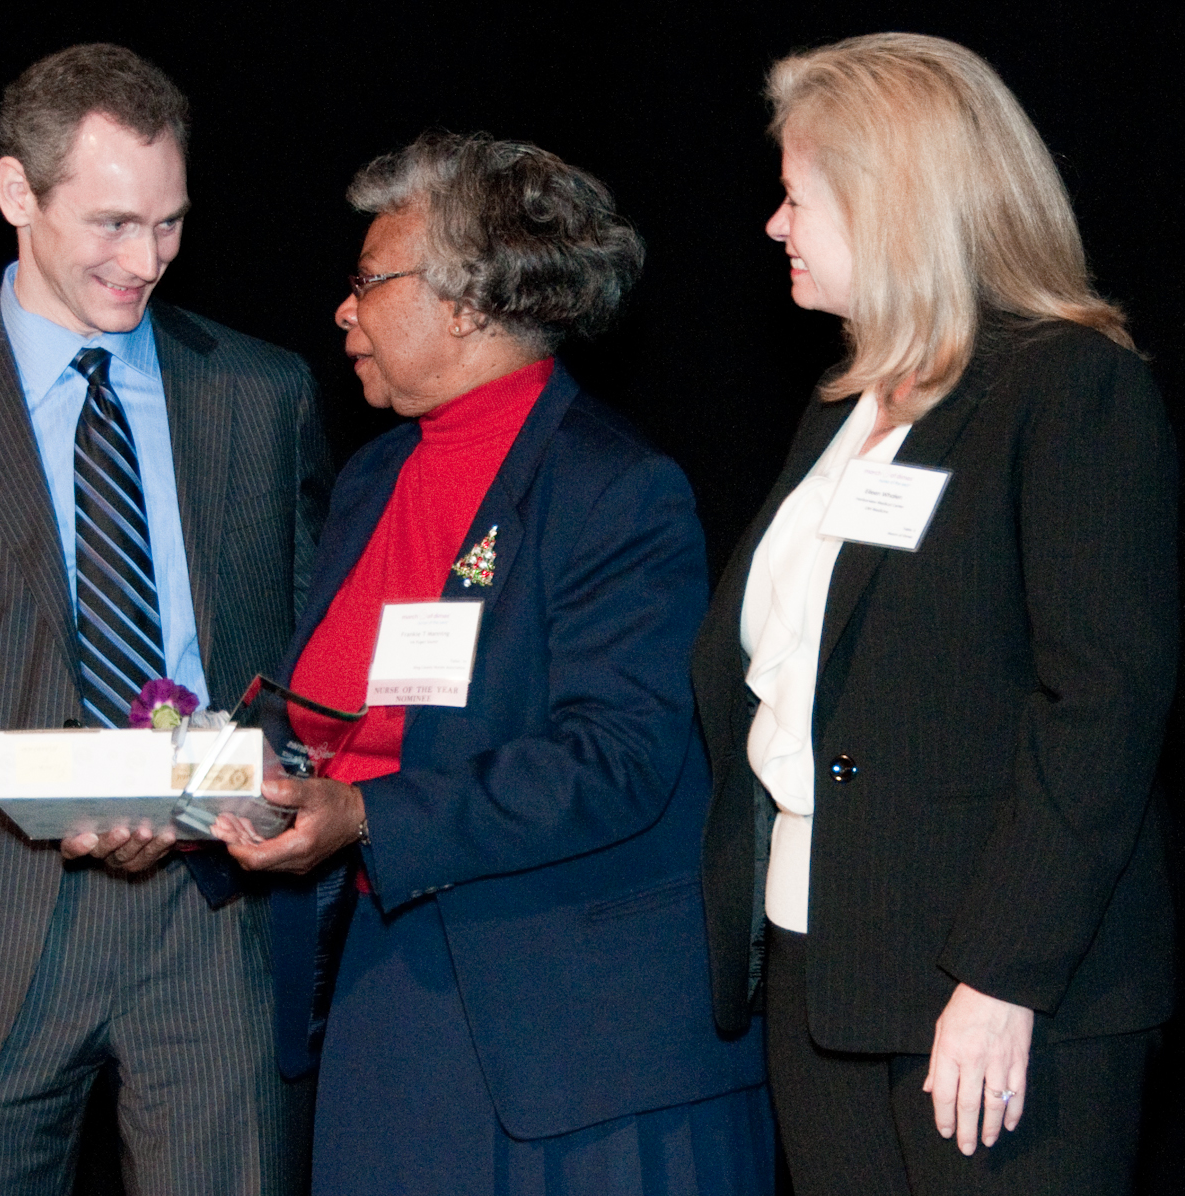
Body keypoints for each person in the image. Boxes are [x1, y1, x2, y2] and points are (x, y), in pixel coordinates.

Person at [0, 43, 330, 1195]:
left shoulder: (262, 391)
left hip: (208, 921)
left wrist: (230, 795)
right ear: (14, 194)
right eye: (112, 223)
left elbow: (301, 651)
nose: (147, 260)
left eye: (172, 223)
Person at [214, 132, 771, 1195]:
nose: (345, 309)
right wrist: (185, 796)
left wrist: (369, 816)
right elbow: (326, 719)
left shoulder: (616, 488)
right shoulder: (375, 478)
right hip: (390, 1009)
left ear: (468, 303)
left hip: (577, 1053)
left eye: (369, 279)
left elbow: (616, 757)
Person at [693, 33, 1177, 1195]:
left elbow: (1100, 704)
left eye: (796, 195)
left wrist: (1005, 975)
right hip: (823, 965)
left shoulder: (1067, 388)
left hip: (997, 994)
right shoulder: (846, 409)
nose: (775, 226)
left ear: (891, 201)